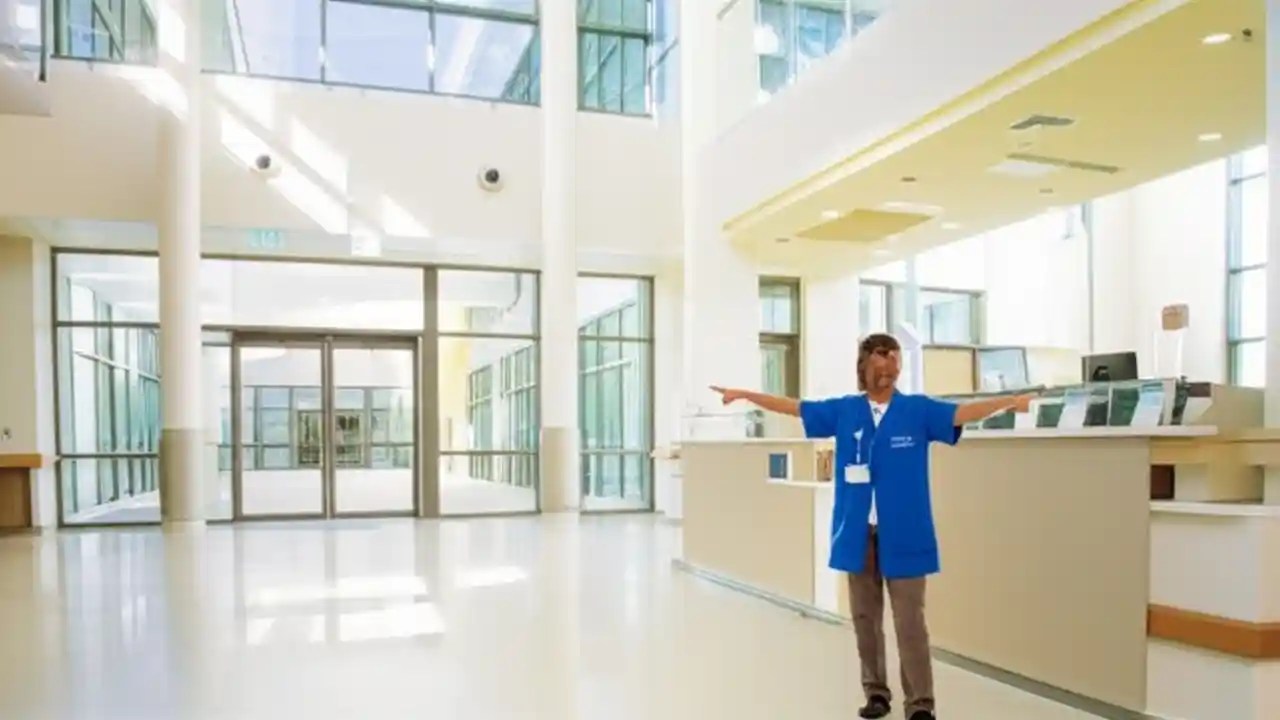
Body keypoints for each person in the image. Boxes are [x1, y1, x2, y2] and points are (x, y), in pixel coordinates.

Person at [711, 333, 1033, 720]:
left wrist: (1010, 402)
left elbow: (963, 413)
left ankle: (920, 703)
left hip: (906, 532)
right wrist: (746, 394)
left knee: (910, 622)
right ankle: (877, 693)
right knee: (865, 620)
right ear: (864, 367)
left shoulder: (917, 410)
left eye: (893, 362)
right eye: (880, 362)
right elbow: (795, 408)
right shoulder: (846, 410)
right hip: (857, 531)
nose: (888, 370)